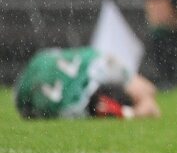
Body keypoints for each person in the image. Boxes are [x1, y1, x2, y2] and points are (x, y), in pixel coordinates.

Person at [15, 47, 161, 120]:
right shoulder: (75, 108)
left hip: (40, 66)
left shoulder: (100, 63)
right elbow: (150, 94)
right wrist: (129, 113)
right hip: (30, 91)